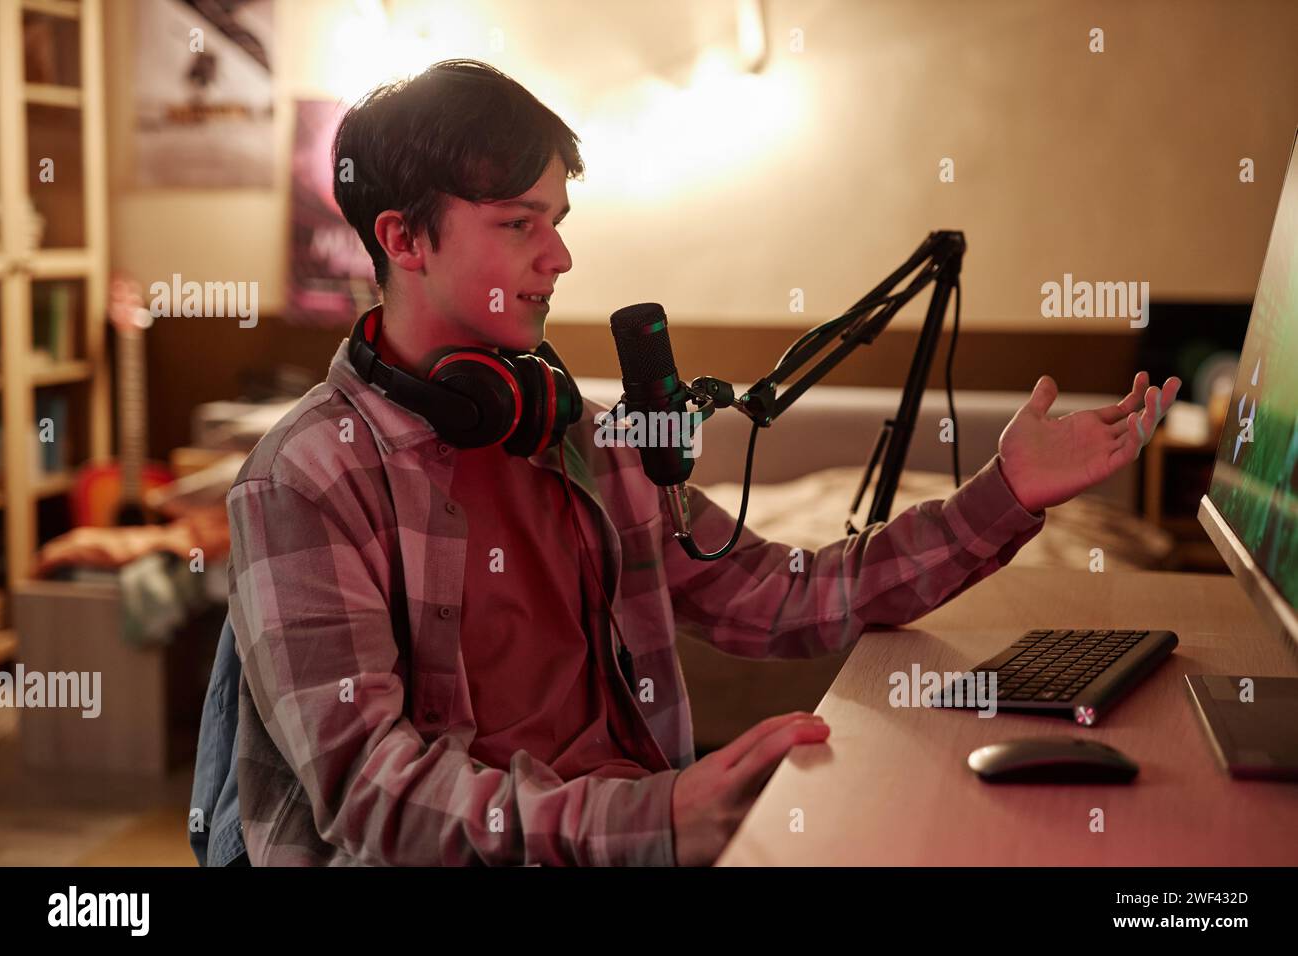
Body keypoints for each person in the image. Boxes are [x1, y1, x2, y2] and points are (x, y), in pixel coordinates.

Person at [225, 59, 1180, 866]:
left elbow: (780, 593)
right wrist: (654, 817)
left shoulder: (583, 435)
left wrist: (1006, 492)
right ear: (402, 238)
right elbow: (369, 792)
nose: (559, 257)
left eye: (559, 219)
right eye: (519, 223)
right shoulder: (305, 478)